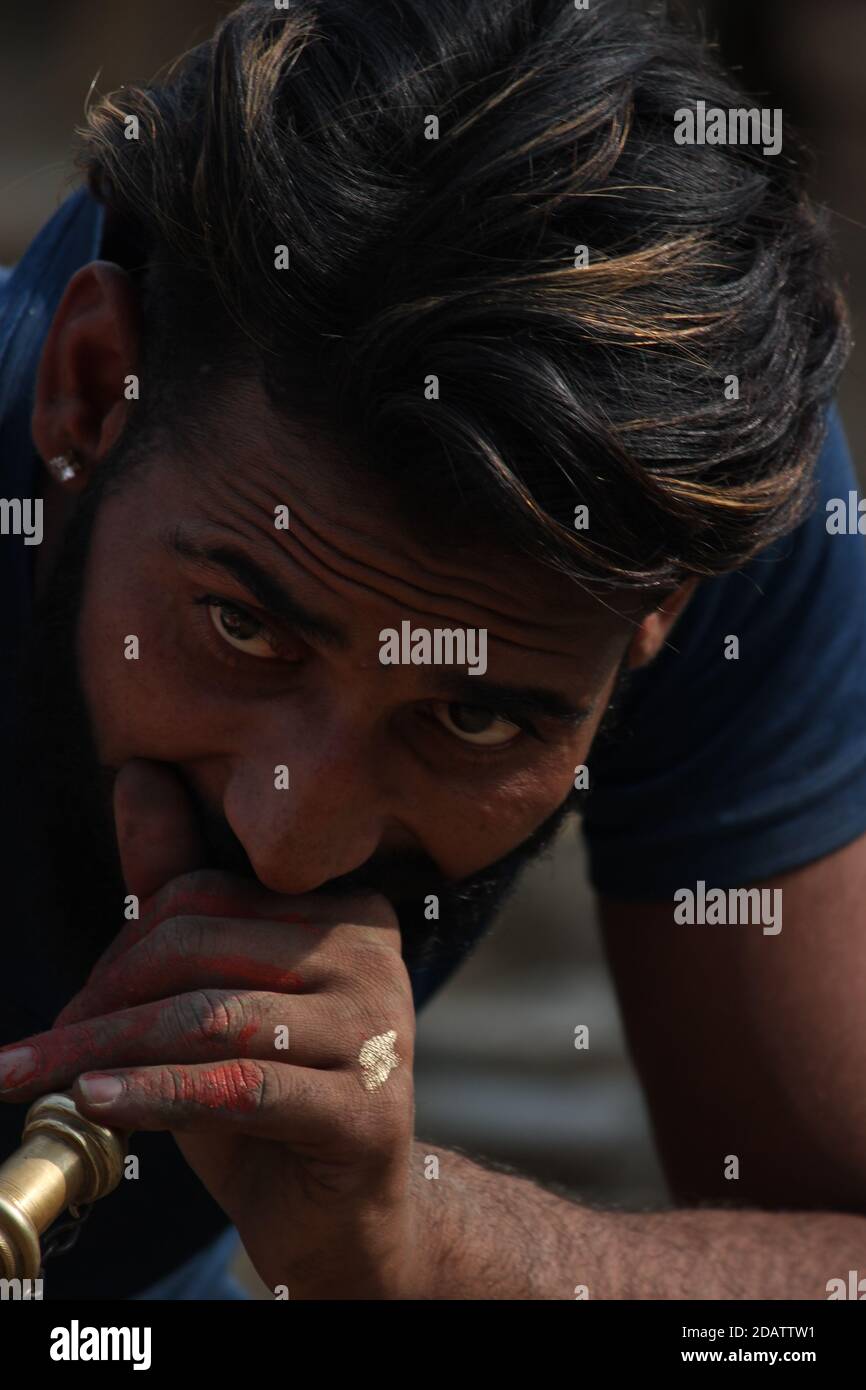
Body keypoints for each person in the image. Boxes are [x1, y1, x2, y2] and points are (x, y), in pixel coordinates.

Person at [1, 0, 864, 1300]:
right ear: (88, 384)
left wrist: (415, 1241)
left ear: (658, 625)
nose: (297, 840)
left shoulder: (682, 505)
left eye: (471, 720)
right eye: (243, 628)